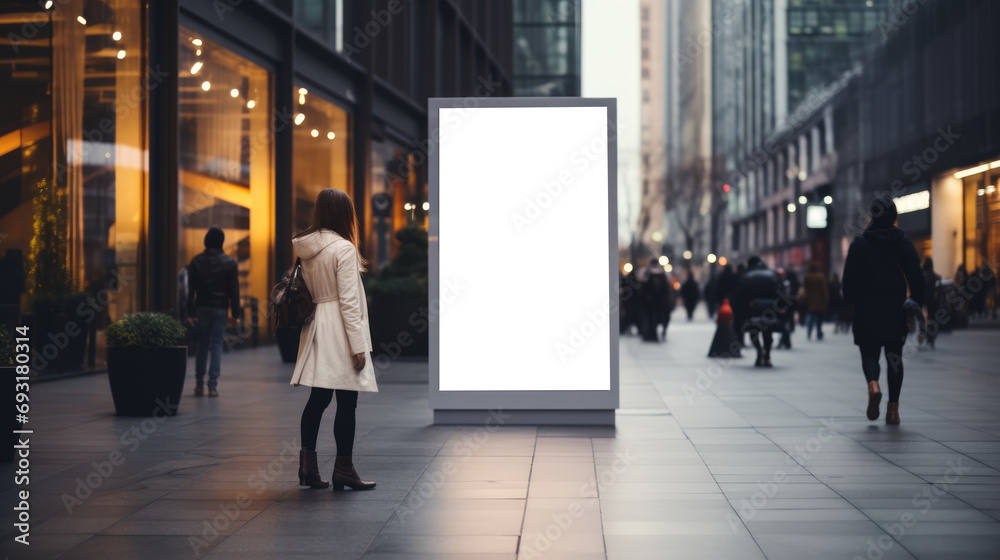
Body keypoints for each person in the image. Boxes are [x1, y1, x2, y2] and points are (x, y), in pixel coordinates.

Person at [291, 188, 377, 491]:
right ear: (345, 214)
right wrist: (358, 345)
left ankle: (308, 469)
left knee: (317, 400)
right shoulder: (343, 248)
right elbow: (349, 302)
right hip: (339, 328)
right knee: (347, 401)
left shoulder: (307, 248)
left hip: (316, 326)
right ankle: (344, 469)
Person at [842, 198, 923, 425]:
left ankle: (873, 385)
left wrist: (850, 302)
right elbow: (916, 275)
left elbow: (848, 281)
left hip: (866, 308)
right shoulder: (902, 242)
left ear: (873, 216)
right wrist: (917, 301)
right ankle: (893, 411)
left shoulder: (860, 243)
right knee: (894, 357)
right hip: (896, 308)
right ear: (894, 216)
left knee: (869, 354)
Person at [186, 227, 242, 398]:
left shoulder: (195, 261)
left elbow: (191, 290)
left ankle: (198, 384)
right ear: (221, 242)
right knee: (217, 345)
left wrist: (190, 312)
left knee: (202, 345)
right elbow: (234, 290)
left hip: (202, 307)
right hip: (220, 308)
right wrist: (237, 314)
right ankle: (212, 386)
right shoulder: (230, 263)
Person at [732, 256, 783, 367]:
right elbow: (780, 292)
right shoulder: (771, 275)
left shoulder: (746, 276)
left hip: (752, 310)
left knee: (754, 331)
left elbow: (738, 296)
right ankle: (767, 355)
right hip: (770, 310)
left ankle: (759, 351)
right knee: (768, 332)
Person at [803, 261, 829, 340]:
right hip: (820, 301)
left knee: (811, 317)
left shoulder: (807, 277)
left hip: (810, 300)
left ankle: (809, 332)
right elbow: (824, 289)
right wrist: (826, 299)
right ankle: (819, 332)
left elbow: (805, 289)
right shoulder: (820, 276)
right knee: (819, 318)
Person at [922, 258, 940, 349]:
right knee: (932, 319)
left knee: (922, 319)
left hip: (923, 301)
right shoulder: (935, 277)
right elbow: (937, 292)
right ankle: (931, 337)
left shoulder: (922, 276)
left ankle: (923, 337)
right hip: (932, 302)